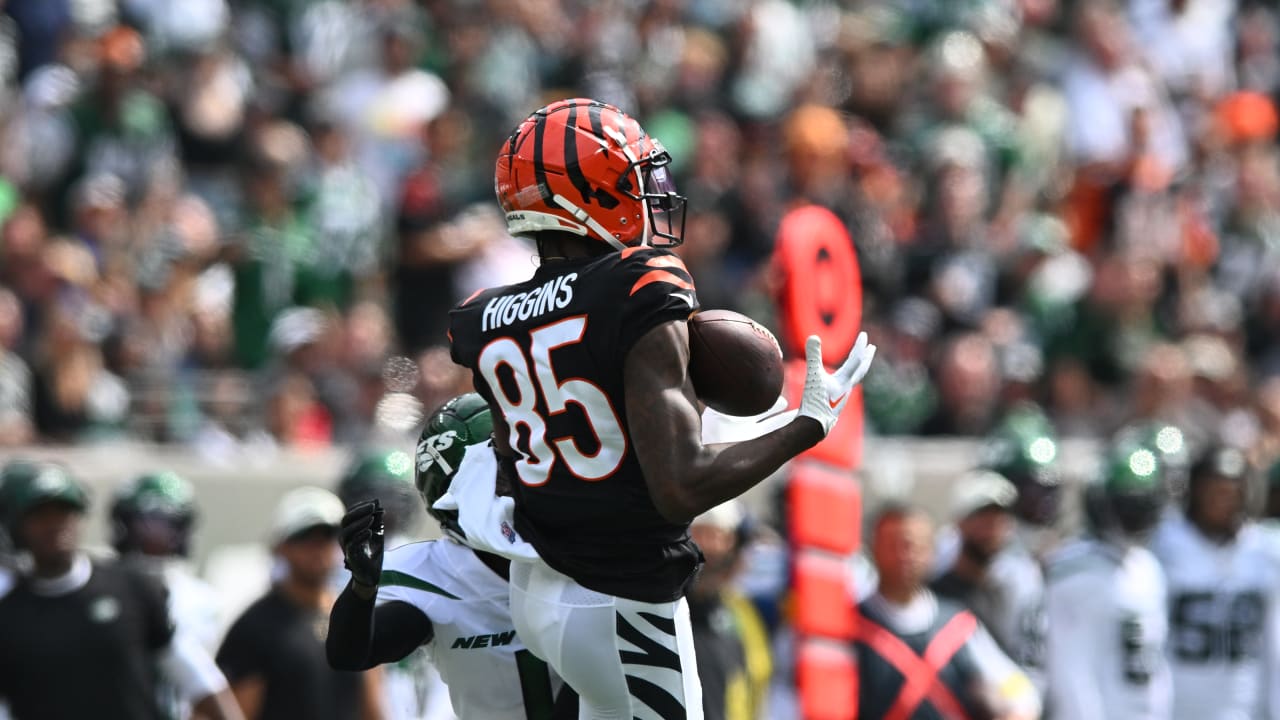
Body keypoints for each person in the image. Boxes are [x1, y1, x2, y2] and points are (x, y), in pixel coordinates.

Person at [447, 97, 876, 720]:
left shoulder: (481, 318)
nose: (652, 194)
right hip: (624, 597)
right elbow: (680, 486)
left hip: (540, 587)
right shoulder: (639, 282)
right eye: (630, 179)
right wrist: (802, 425)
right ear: (583, 194)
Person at [327, 393, 576, 719]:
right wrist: (361, 589)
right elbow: (349, 654)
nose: (523, 483)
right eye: (505, 470)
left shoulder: (576, 552)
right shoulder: (437, 577)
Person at [0, 461, 241, 720]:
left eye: (64, 513)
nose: (55, 525)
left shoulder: (133, 586)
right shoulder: (9, 614)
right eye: (41, 516)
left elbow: (195, 676)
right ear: (17, 526)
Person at [855, 504, 1040, 720]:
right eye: (894, 545)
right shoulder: (852, 625)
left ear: (931, 551)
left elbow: (1015, 685)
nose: (906, 555)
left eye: (916, 546)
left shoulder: (958, 626)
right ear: (874, 548)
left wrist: (1016, 709)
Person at [216, 486, 384, 720]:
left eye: (328, 537)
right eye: (305, 538)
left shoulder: (357, 616)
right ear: (281, 547)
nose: (318, 548)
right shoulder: (255, 627)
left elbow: (373, 708)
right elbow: (234, 713)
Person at [1150, 445, 1280, 720]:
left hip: (1245, 701)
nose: (1223, 501)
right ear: (1194, 491)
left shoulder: (1265, 551)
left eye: (1231, 491)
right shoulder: (1163, 543)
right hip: (1180, 701)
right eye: (1213, 491)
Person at [1046, 438, 1171, 720]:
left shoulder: (1148, 567)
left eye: (1144, 505)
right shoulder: (1074, 571)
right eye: (1129, 506)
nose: (1137, 517)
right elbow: (1071, 673)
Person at [112, 470, 228, 719]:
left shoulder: (202, 599)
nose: (155, 536)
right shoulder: (104, 589)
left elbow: (203, 680)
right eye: (146, 524)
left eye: (166, 525)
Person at [931, 470, 1046, 688]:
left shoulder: (1012, 589)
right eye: (982, 518)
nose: (993, 528)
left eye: (999, 518)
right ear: (960, 523)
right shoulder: (935, 596)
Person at [687, 500, 772, 720]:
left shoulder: (740, 611)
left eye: (726, 541)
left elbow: (757, 681)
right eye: (701, 536)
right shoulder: (660, 607)